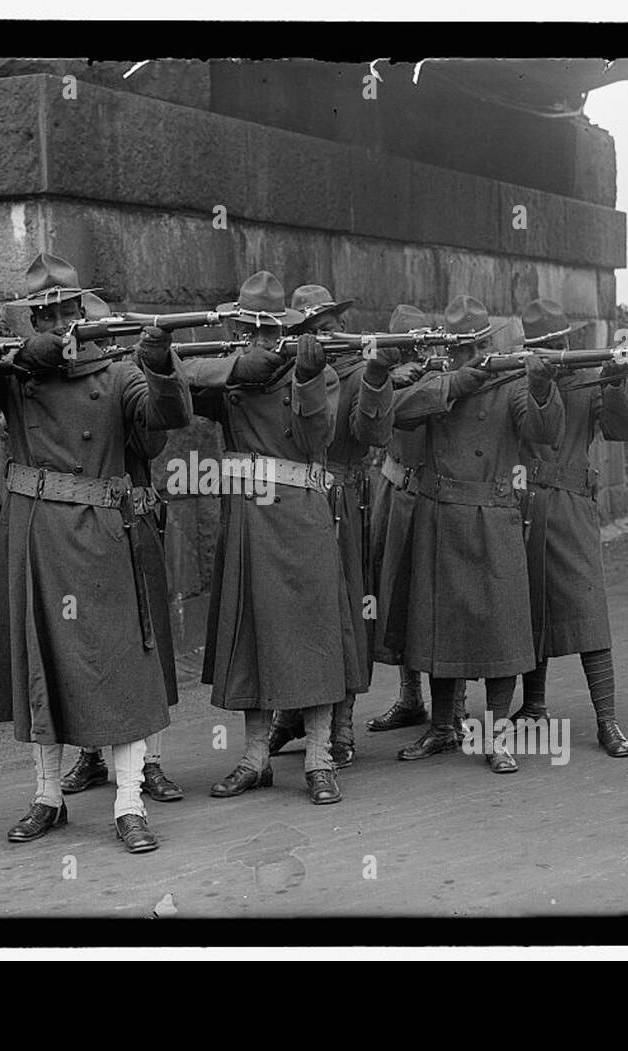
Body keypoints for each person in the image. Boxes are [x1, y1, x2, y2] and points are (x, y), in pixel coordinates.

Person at [0, 253, 192, 853]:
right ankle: (49, 796)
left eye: (66, 311)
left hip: (100, 536)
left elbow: (167, 416)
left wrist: (158, 363)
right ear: (33, 319)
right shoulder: (18, 373)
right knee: (40, 663)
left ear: (84, 309)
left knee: (118, 668)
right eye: (44, 315)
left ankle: (128, 802)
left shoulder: (120, 374)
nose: (58, 323)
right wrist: (28, 357)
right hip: (34, 537)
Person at [182, 270, 357, 805]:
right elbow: (178, 375)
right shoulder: (234, 373)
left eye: (267, 331)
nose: (260, 341)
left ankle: (319, 756)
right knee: (251, 633)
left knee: (314, 633)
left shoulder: (312, 370)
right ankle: (255, 758)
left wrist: (303, 379)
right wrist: (239, 366)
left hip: (301, 513)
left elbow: (315, 438)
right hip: (247, 519)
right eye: (249, 331)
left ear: (284, 327)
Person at [391, 294, 564, 773]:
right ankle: (442, 727)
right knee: (438, 629)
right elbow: (397, 411)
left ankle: (495, 734)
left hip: (494, 513)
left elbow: (544, 433)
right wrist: (455, 382)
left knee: (500, 631)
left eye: (472, 347)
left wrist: (543, 386)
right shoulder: (436, 381)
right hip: (441, 513)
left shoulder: (510, 384)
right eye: (458, 348)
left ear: (486, 341)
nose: (466, 356)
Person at [59, 293, 184, 802]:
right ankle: (90, 754)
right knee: (84, 646)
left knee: (143, 646)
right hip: (82, 529)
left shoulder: (126, 378)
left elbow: (154, 441)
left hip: (133, 521)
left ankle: (149, 761)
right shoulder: (62, 381)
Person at [511, 298, 628, 757]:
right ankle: (533, 706)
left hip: (572, 506)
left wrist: (618, 383)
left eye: (559, 343)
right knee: (530, 608)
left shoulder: (591, 380)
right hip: (524, 503)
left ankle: (607, 720)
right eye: (545, 346)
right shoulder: (517, 380)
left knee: (588, 612)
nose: (557, 350)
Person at [266, 284, 394, 768]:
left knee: (349, 608)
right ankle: (290, 715)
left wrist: (379, 380)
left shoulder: (361, 372)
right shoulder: (284, 372)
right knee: (299, 609)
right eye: (317, 330)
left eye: (334, 326)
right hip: (296, 501)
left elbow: (373, 435)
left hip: (343, 498)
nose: (330, 335)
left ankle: (341, 725)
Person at [365, 305, 469, 739]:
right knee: (396, 598)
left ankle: (455, 708)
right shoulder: (382, 378)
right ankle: (410, 697)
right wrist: (391, 378)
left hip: (431, 495)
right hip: (393, 490)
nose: (422, 352)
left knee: (438, 599)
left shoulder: (447, 375)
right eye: (410, 346)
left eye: (425, 344)